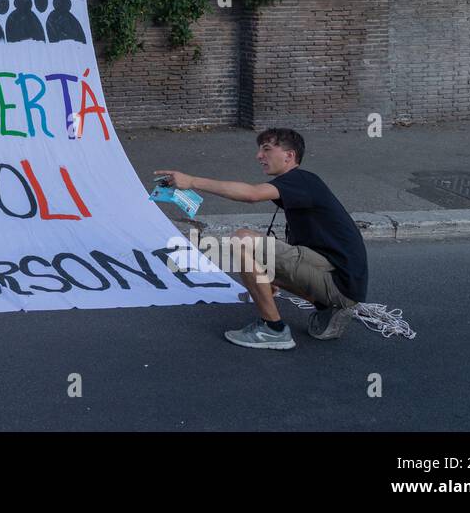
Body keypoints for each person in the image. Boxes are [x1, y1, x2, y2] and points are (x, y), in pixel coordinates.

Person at [154, 127, 368, 350]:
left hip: (339, 281)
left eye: (266, 149)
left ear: (289, 155)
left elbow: (251, 194)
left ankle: (273, 329)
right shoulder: (300, 188)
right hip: (340, 279)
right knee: (259, 262)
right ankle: (328, 307)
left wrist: (192, 181)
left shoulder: (302, 180)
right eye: (259, 151)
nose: (259, 156)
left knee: (241, 240)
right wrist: (265, 277)